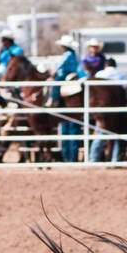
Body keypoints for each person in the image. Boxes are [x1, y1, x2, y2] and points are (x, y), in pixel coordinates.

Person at [48, 33, 84, 163]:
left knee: (56, 83)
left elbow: (60, 65)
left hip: (65, 74)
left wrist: (53, 72)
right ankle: (71, 157)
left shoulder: (67, 55)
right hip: (74, 74)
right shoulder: (74, 55)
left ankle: (54, 99)